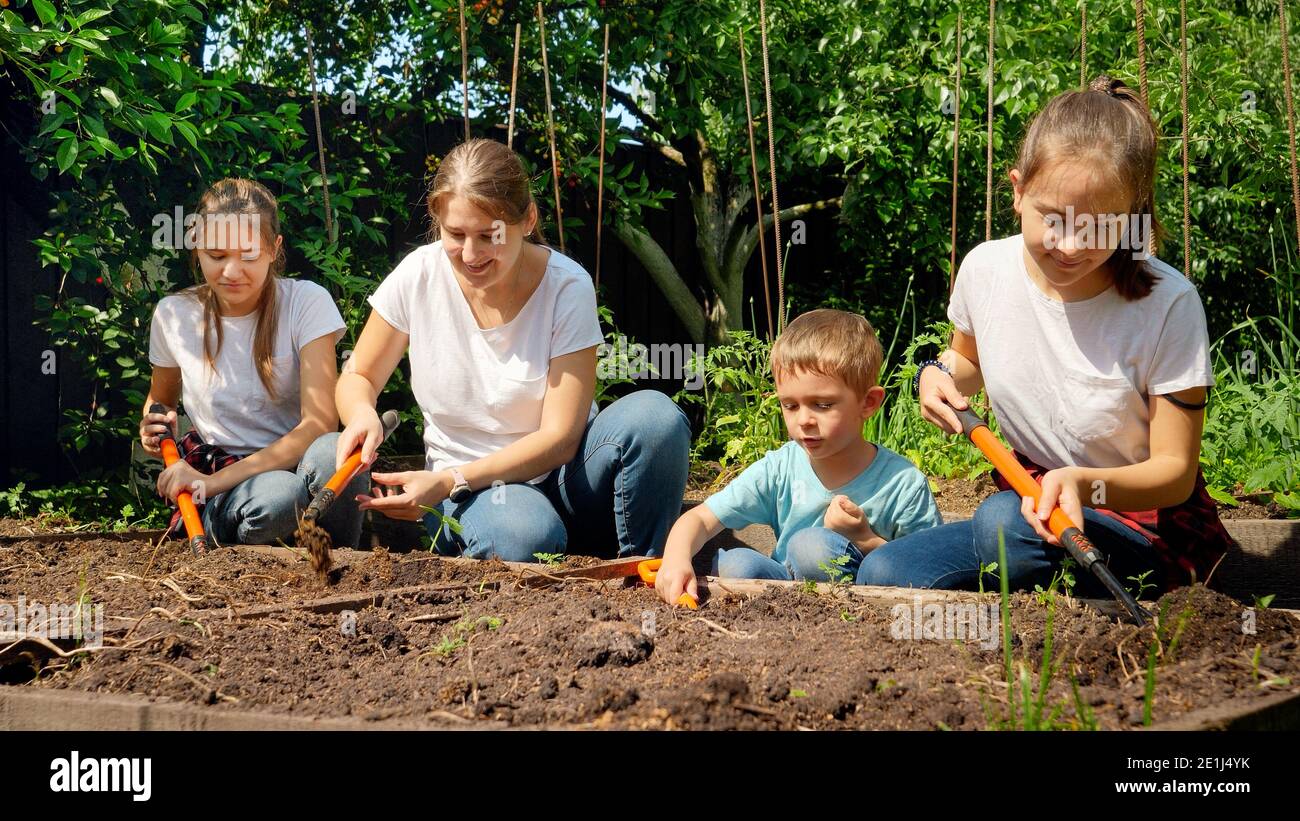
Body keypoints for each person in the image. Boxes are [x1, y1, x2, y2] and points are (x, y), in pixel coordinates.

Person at [856, 75, 1235, 597]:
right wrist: (937, 376)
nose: (1071, 245)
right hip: (1030, 501)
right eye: (1053, 219)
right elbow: (966, 363)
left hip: (1138, 527)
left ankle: (1054, 604)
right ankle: (1037, 600)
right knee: (885, 574)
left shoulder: (1168, 303)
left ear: (1130, 217)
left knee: (998, 524)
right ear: (1017, 191)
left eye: (1099, 225)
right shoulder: (986, 270)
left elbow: (1174, 473)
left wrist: (1085, 484)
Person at [334, 138, 691, 562]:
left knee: (656, 418)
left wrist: (450, 478)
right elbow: (358, 374)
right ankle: (555, 550)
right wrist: (361, 413)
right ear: (437, 222)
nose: (470, 254)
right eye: (456, 234)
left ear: (528, 220)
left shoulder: (566, 286)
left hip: (562, 480)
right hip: (473, 495)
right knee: (523, 536)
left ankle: (643, 570)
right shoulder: (419, 275)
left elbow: (560, 440)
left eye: (489, 236)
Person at [654, 309, 942, 605]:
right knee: (738, 565)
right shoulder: (782, 467)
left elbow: (931, 568)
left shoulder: (902, 483)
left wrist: (864, 538)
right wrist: (675, 559)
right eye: (790, 406)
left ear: (867, 403)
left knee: (810, 546)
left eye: (822, 404)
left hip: (865, 605)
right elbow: (701, 518)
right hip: (786, 597)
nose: (804, 420)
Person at [142, 178, 364, 547]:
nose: (231, 272)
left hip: (296, 463)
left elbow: (318, 424)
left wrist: (211, 484)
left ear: (274, 249)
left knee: (334, 449)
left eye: (248, 256)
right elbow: (158, 400)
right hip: (227, 478)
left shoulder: (307, 302)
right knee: (278, 499)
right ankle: (251, 553)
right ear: (197, 248)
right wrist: (152, 428)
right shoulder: (174, 314)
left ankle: (338, 567)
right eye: (217, 256)